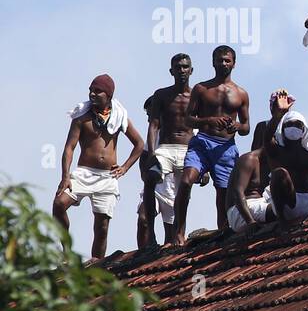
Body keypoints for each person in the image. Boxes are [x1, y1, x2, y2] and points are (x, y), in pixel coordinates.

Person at [53, 74, 145, 259]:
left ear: (108, 95)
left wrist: (125, 167)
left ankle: (96, 266)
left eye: (97, 91)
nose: (92, 94)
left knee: (102, 226)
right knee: (59, 205)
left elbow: (139, 144)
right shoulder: (82, 118)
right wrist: (65, 176)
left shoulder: (119, 116)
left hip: (107, 177)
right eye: (90, 90)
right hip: (83, 173)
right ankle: (67, 254)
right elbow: (69, 148)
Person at [173, 46, 250, 242]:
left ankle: (222, 232)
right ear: (213, 62)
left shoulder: (241, 93)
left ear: (234, 63)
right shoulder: (201, 89)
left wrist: (236, 125)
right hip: (202, 143)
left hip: (225, 147)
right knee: (185, 181)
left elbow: (246, 127)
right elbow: (188, 120)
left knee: (224, 193)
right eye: (220, 60)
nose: (223, 63)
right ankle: (179, 233)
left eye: (227, 60)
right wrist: (208, 120)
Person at [138, 53, 203, 248]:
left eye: (185, 67)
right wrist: (151, 153)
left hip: (187, 148)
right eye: (178, 67)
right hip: (165, 147)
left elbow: (203, 129)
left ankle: (178, 233)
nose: (182, 70)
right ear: (171, 71)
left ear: (191, 70)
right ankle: (150, 236)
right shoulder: (161, 95)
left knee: (184, 190)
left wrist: (203, 163)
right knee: (150, 178)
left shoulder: (198, 96)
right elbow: (154, 124)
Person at [226, 94, 292, 233]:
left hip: (259, 205)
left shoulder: (273, 162)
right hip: (239, 212)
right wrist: (250, 222)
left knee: (292, 206)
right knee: (284, 211)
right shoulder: (249, 159)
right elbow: (238, 193)